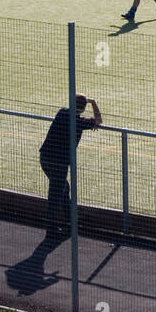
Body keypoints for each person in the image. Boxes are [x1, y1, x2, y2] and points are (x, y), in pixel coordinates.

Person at [38, 94, 102, 239]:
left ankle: (71, 219)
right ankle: (52, 230)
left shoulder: (62, 112)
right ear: (83, 108)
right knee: (56, 195)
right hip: (59, 162)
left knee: (63, 189)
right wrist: (93, 102)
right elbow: (99, 121)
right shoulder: (78, 122)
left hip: (45, 157)